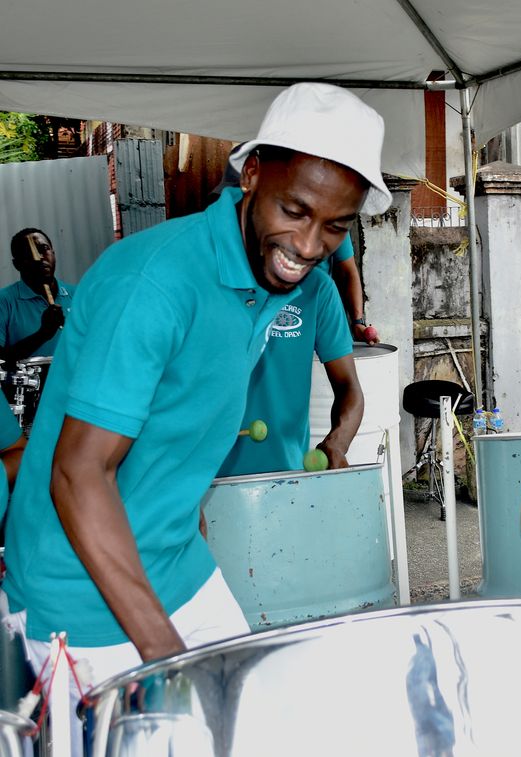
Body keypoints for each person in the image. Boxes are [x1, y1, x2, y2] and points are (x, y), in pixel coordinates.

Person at [0, 82, 390, 742]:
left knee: (260, 730)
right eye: (296, 210)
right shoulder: (156, 282)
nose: (309, 243)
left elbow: (181, 440)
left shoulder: (263, 280)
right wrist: (166, 653)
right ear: (253, 173)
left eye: (335, 226)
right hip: (83, 592)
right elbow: (77, 474)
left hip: (177, 565)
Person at [213, 147, 379, 345]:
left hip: (316, 324)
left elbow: (348, 271)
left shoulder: (324, 232)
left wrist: (357, 321)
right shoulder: (224, 238)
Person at [218, 263, 364, 476]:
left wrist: (338, 442)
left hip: (288, 474)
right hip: (207, 476)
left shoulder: (317, 287)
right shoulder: (209, 280)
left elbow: (348, 386)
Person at [0, 228, 75, 362]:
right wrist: (43, 334)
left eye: (44, 249)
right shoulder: (4, 301)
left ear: (53, 254)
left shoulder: (77, 296)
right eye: (29, 253)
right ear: (17, 264)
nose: (39, 257)